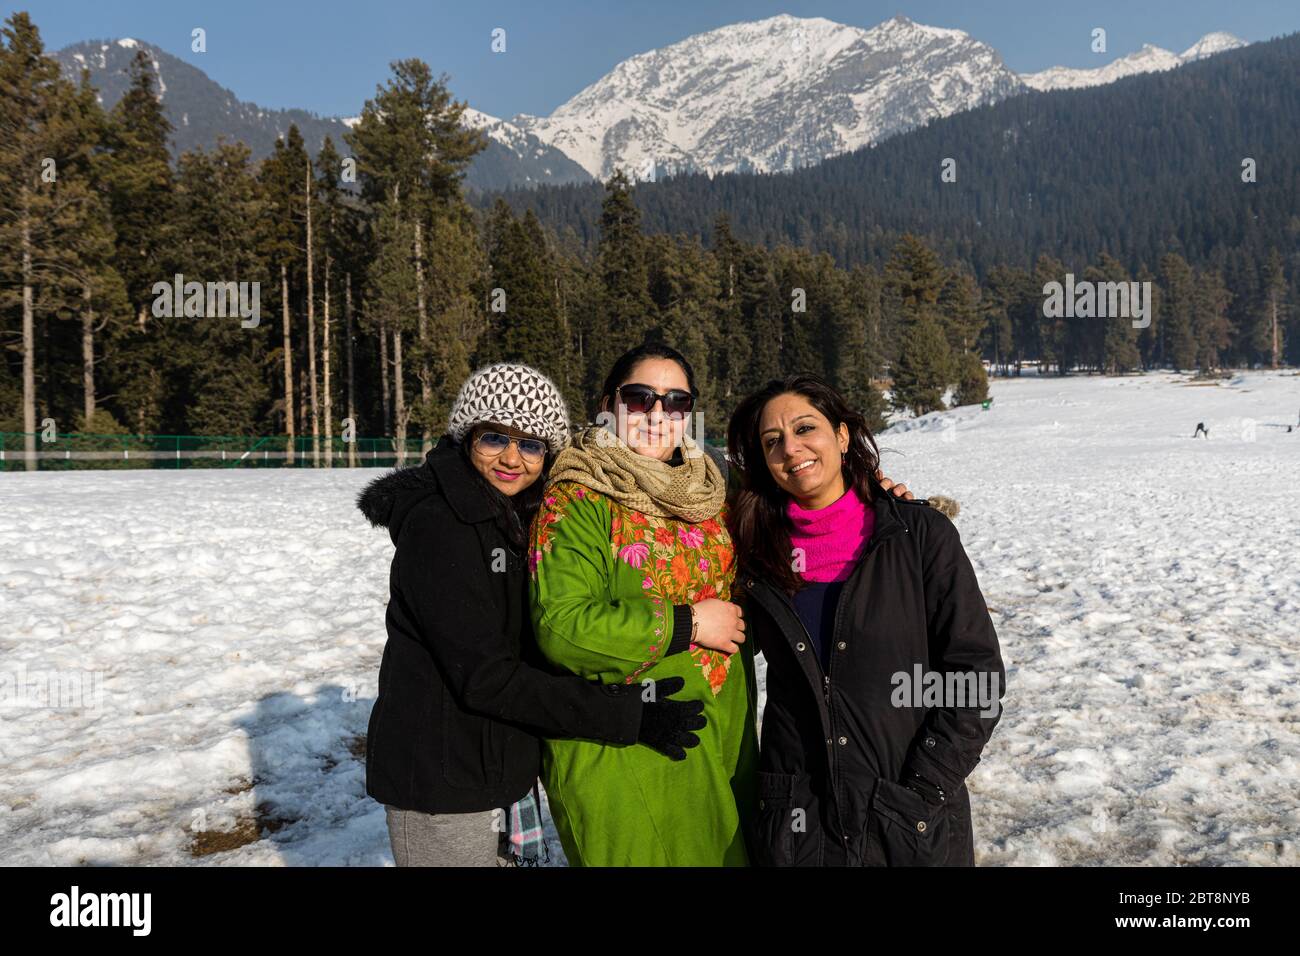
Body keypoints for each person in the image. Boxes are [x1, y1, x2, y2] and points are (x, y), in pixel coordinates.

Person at [356, 363, 706, 867]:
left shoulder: (517, 517)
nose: (512, 459)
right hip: (443, 783)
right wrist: (624, 715)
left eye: (532, 444)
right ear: (467, 435)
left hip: (497, 765)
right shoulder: (441, 527)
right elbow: (487, 677)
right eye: (496, 438)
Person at [726, 373, 1006, 866]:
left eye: (805, 429)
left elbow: (975, 679)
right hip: (801, 824)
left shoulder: (917, 536)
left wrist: (922, 789)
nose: (791, 449)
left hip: (911, 815)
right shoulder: (752, 554)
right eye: (773, 441)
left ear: (841, 435)